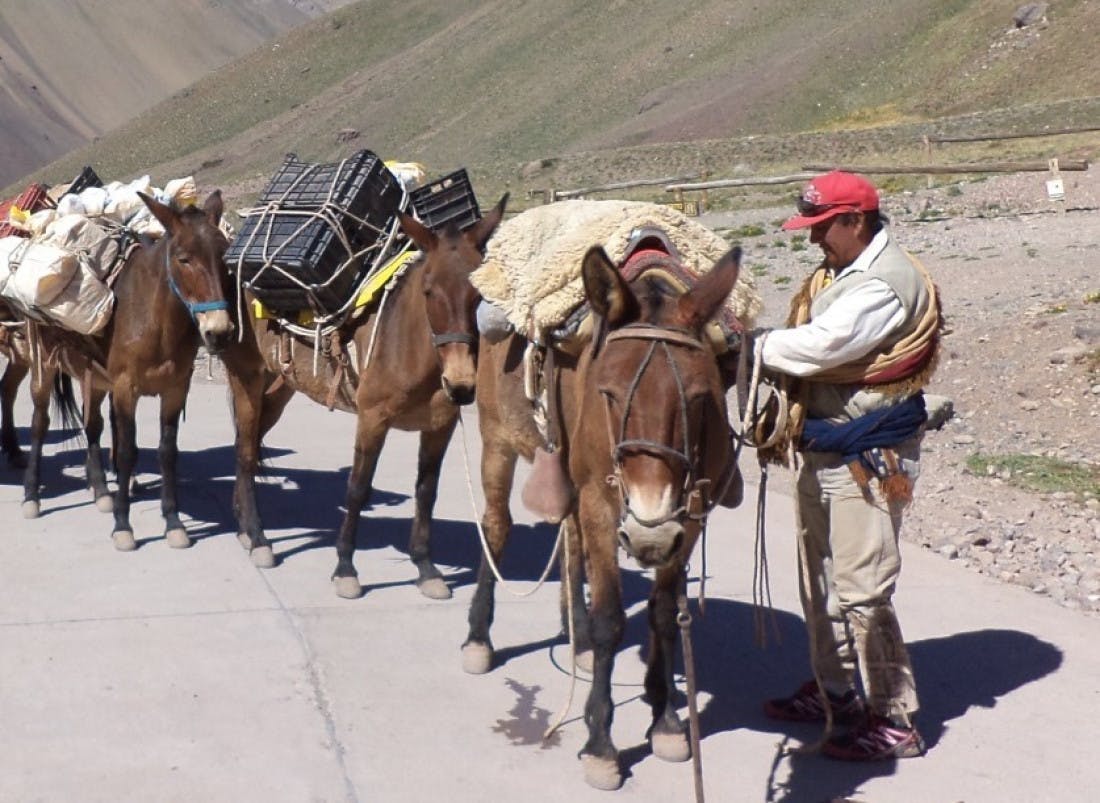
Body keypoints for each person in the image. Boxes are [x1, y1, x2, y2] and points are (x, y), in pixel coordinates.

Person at [757, 170, 942, 760]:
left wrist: (751, 345)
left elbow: (823, 346)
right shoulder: (839, 272)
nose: (814, 240)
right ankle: (834, 690)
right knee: (820, 581)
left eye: (822, 227)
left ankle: (894, 718)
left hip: (871, 454)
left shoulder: (883, 285)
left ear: (855, 220)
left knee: (863, 588)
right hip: (825, 447)